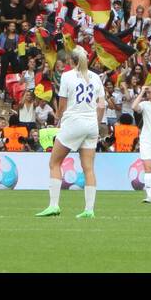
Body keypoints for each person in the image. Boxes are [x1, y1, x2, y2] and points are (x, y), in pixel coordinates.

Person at [36, 47, 104, 218]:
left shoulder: (67, 76)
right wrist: (96, 124)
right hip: (91, 124)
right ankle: (89, 209)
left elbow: (63, 103)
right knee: (88, 168)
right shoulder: (96, 77)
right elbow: (101, 105)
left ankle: (54, 205)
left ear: (71, 61)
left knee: (55, 162)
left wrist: (57, 118)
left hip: (74, 121)